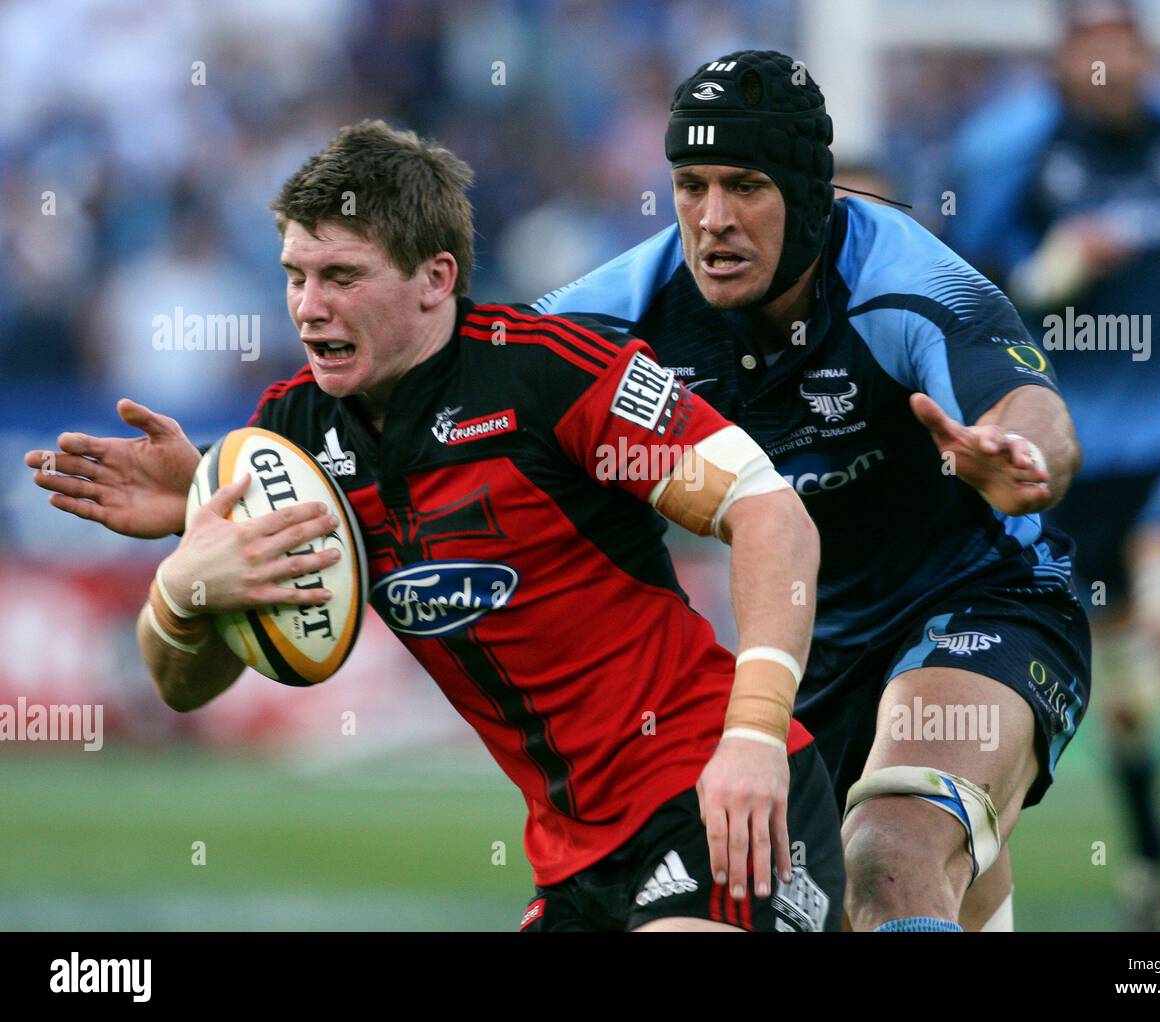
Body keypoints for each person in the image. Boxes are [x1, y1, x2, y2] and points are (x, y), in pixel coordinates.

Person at [25, 120, 846, 933]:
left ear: (435, 277)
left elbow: (772, 516)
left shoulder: (550, 370)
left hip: (714, 791)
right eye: (294, 275)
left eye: (342, 276)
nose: (310, 308)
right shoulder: (291, 440)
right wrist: (186, 588)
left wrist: (754, 736)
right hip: (570, 860)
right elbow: (180, 685)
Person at [534, 50, 1091, 932]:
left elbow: (1034, 412)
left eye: (746, 185)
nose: (713, 219)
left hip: (982, 601)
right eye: (691, 184)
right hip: (805, 662)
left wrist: (1019, 455)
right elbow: (485, 393)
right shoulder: (612, 314)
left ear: (811, 195)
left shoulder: (904, 279)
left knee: (893, 852)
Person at [946, 0, 1160, 930]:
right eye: (1090, 43)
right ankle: (1146, 854)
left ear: (1144, 52)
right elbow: (967, 285)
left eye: (1123, 42)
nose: (1110, 60)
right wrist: (1057, 267)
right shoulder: (1010, 150)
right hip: (1069, 445)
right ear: (1062, 58)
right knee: (1127, 693)